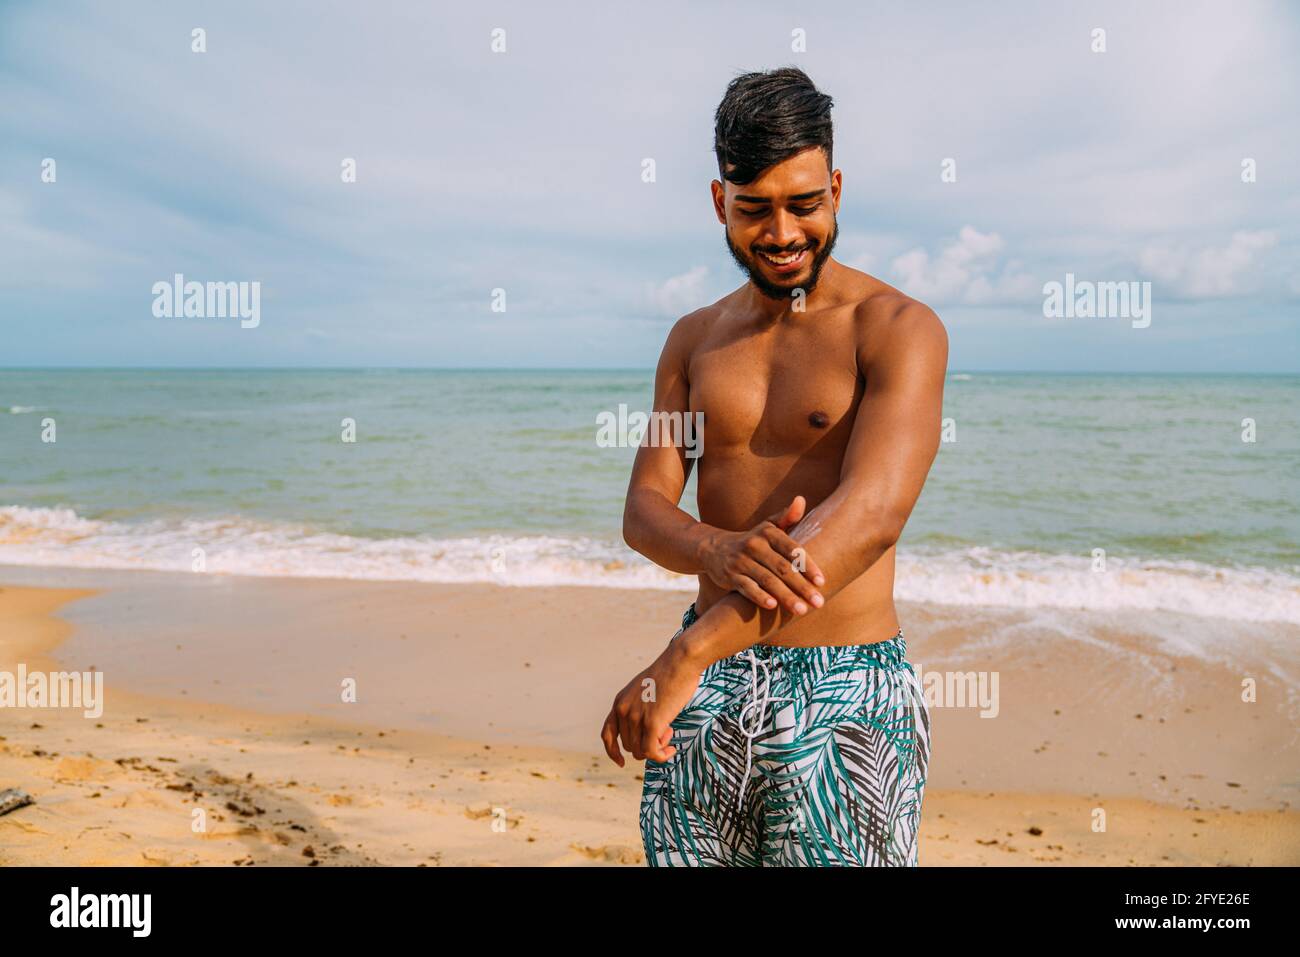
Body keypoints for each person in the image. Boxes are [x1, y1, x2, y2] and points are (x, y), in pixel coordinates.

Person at [599, 66, 948, 867]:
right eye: (754, 208)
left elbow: (871, 516)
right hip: (708, 697)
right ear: (719, 202)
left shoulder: (896, 328)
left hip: (845, 694)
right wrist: (716, 548)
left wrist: (684, 655)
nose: (783, 233)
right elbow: (645, 508)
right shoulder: (693, 340)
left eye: (805, 203)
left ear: (837, 190)